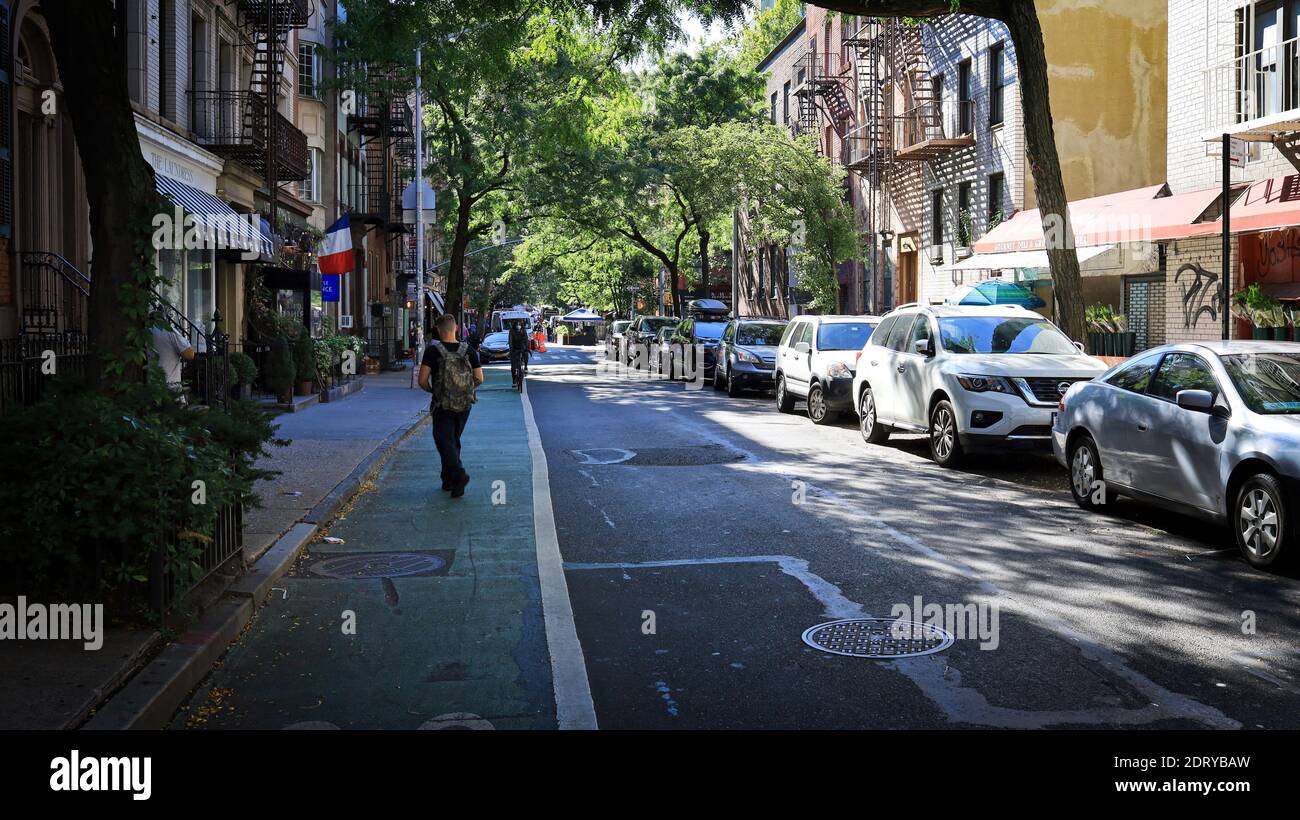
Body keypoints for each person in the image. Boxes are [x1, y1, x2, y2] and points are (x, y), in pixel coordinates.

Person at [418, 313, 484, 498]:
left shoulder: (433, 351)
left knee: (443, 440)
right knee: (453, 439)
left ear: (439, 330)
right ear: (455, 328)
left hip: (442, 404)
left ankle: (458, 474)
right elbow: (480, 378)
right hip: (464, 404)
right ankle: (448, 480)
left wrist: (434, 391)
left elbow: (422, 380)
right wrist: (466, 388)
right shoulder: (468, 350)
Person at [149, 324, 195, 394]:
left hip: (149, 386)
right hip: (170, 388)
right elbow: (190, 354)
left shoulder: (144, 332)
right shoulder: (169, 331)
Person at [508, 320, 530, 388]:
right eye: (517, 324)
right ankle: (514, 380)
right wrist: (511, 348)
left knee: (526, 354)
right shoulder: (512, 331)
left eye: (519, 324)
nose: (518, 326)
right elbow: (510, 340)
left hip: (522, 347)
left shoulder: (524, 331)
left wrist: (525, 347)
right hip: (514, 348)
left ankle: (525, 366)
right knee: (513, 367)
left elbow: (526, 340)